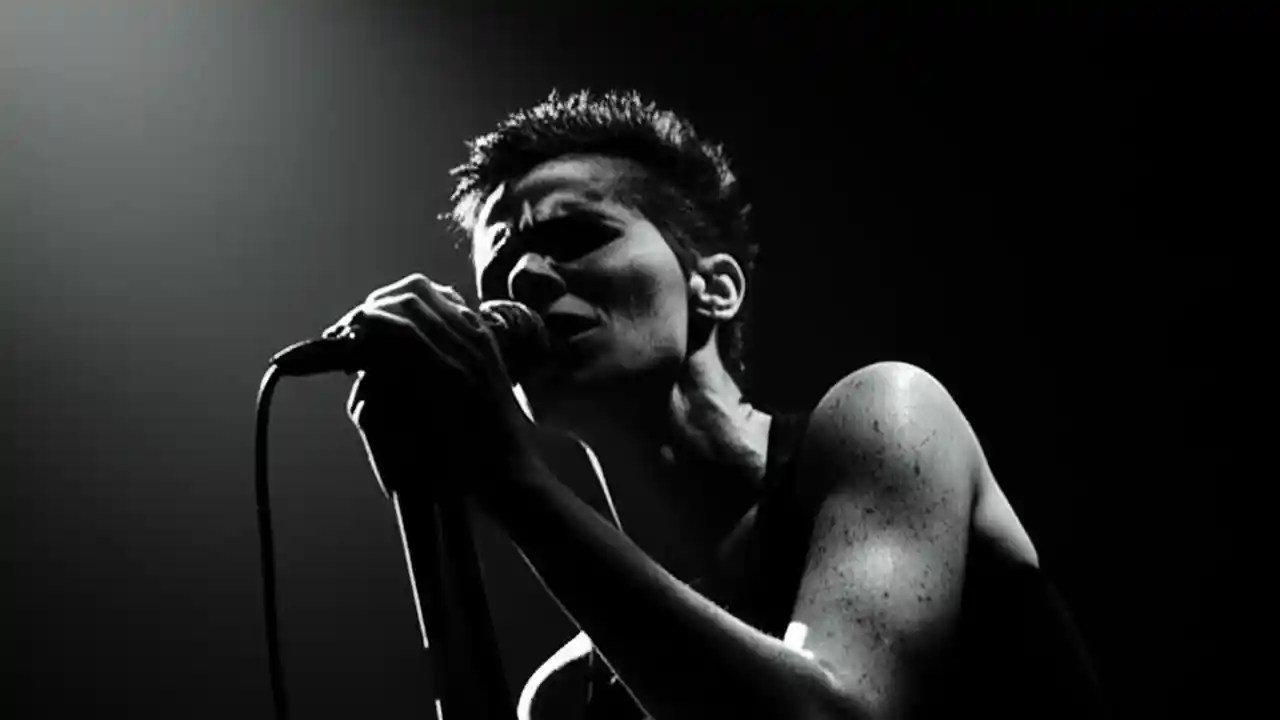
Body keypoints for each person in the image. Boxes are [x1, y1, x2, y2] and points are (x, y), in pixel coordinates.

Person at [330, 90, 1107, 719]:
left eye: (576, 235)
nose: (525, 279)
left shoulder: (886, 419)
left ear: (716, 286)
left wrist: (507, 481)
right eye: (496, 275)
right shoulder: (569, 697)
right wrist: (426, 502)